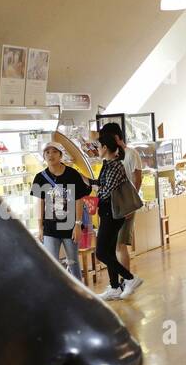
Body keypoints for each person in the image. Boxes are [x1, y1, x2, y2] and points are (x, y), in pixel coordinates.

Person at [90, 127, 142, 301]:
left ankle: (130, 278)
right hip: (107, 212)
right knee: (110, 251)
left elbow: (105, 191)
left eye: (98, 146)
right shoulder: (108, 165)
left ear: (105, 147)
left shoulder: (115, 166)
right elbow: (101, 185)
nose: (97, 149)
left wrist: (95, 189)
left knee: (101, 253)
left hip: (112, 213)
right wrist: (88, 181)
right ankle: (114, 287)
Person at [31, 142, 91, 282]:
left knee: (73, 262)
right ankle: (56, 295)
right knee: (52, 264)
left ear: (60, 155)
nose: (50, 155)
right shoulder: (40, 177)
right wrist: (40, 227)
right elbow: (40, 203)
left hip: (70, 226)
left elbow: (79, 199)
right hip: (50, 228)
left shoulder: (72, 174)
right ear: (44, 156)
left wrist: (78, 224)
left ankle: (79, 294)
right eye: (47, 152)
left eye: (54, 152)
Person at [101, 122, 143, 276]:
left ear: (116, 137)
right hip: (112, 207)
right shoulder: (110, 157)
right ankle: (118, 282)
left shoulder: (131, 154)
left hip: (125, 205)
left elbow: (137, 178)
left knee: (120, 244)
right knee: (113, 245)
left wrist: (130, 206)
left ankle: (127, 279)